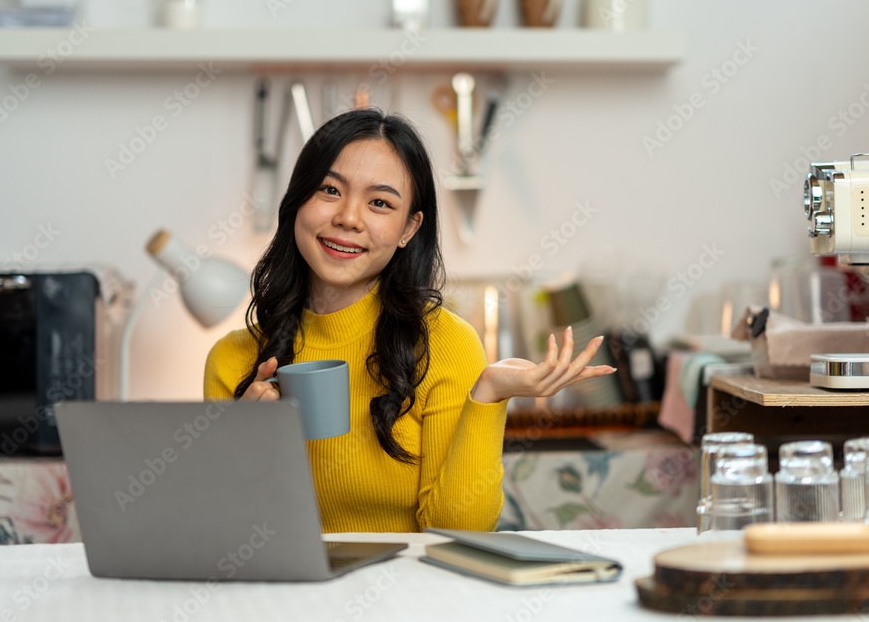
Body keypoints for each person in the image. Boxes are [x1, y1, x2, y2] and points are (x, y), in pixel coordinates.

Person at [204, 108, 614, 533]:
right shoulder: (232, 360)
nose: (348, 218)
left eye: (380, 203)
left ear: (408, 228)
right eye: (329, 189)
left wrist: (489, 394)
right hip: (289, 576)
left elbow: (457, 533)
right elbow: (220, 537)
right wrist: (244, 446)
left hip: (408, 577)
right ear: (297, 201)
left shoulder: (447, 344)